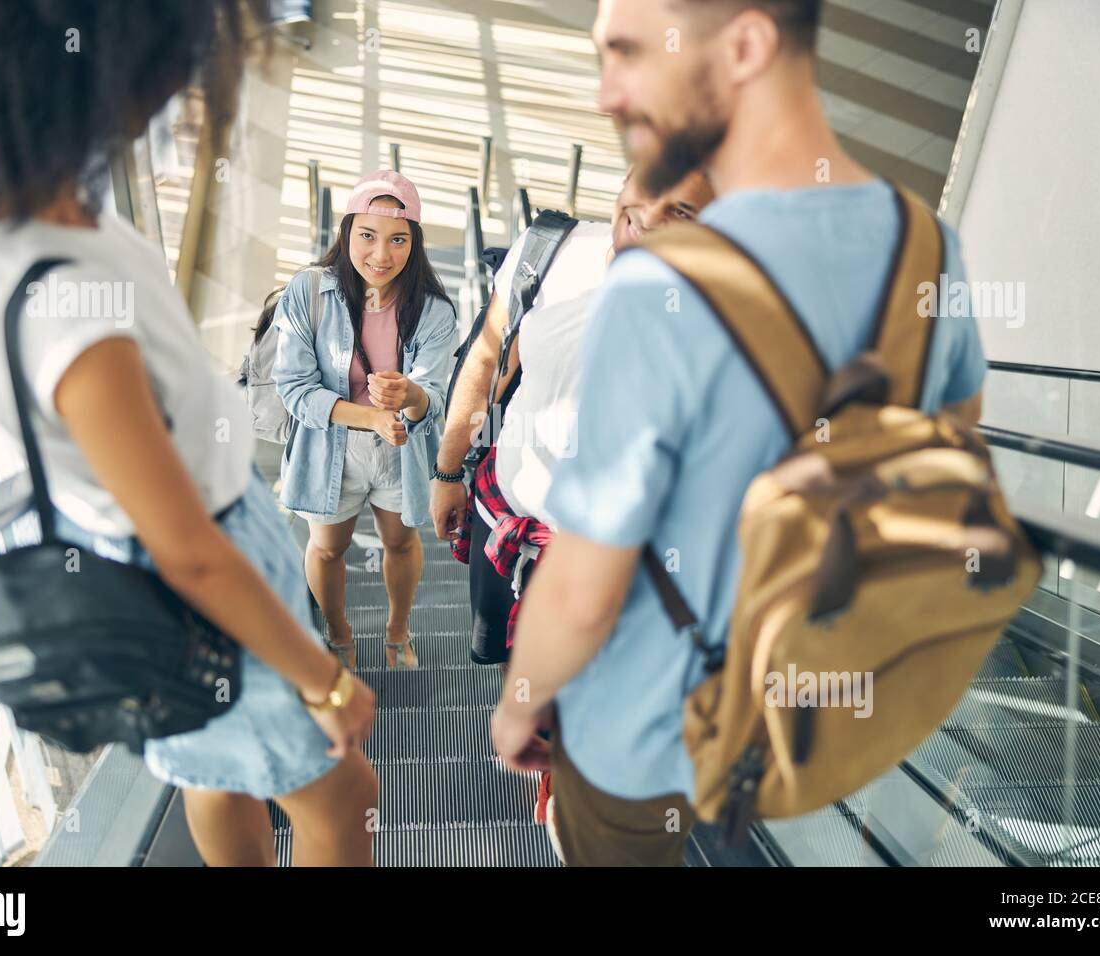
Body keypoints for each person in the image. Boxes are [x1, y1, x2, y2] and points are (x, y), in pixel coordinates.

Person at [0, 0, 378, 867]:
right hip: (199, 566)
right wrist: (322, 677)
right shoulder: (73, 319)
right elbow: (186, 548)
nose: (172, 91)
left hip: (129, 529)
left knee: (211, 768)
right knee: (341, 792)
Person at [492, 0, 987, 866]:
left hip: (644, 744)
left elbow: (583, 588)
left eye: (631, 55)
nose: (608, 94)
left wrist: (521, 701)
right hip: (830, 708)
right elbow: (955, 460)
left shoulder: (655, 292)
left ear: (749, 45)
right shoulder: (927, 245)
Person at [432, 167, 713, 670]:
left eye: (681, 210)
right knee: (511, 668)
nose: (649, 216)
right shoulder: (548, 249)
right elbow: (488, 356)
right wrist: (449, 471)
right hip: (504, 519)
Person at [274, 171, 457, 671]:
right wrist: (372, 416)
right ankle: (338, 635)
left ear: (414, 243)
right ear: (347, 232)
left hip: (400, 450)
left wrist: (410, 394)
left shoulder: (434, 310)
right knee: (327, 549)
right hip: (327, 447)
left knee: (400, 542)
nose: (381, 254)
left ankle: (397, 631)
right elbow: (294, 387)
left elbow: (432, 403)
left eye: (398, 239)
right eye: (367, 236)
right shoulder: (309, 292)